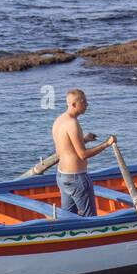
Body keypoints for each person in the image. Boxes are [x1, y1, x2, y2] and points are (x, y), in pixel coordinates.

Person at [52, 89, 114, 217]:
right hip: (76, 177)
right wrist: (106, 144)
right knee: (89, 218)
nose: (87, 104)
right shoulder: (72, 123)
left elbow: (61, 150)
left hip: (62, 176)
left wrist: (84, 140)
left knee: (68, 217)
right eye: (83, 101)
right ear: (73, 104)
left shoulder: (59, 120)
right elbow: (83, 155)